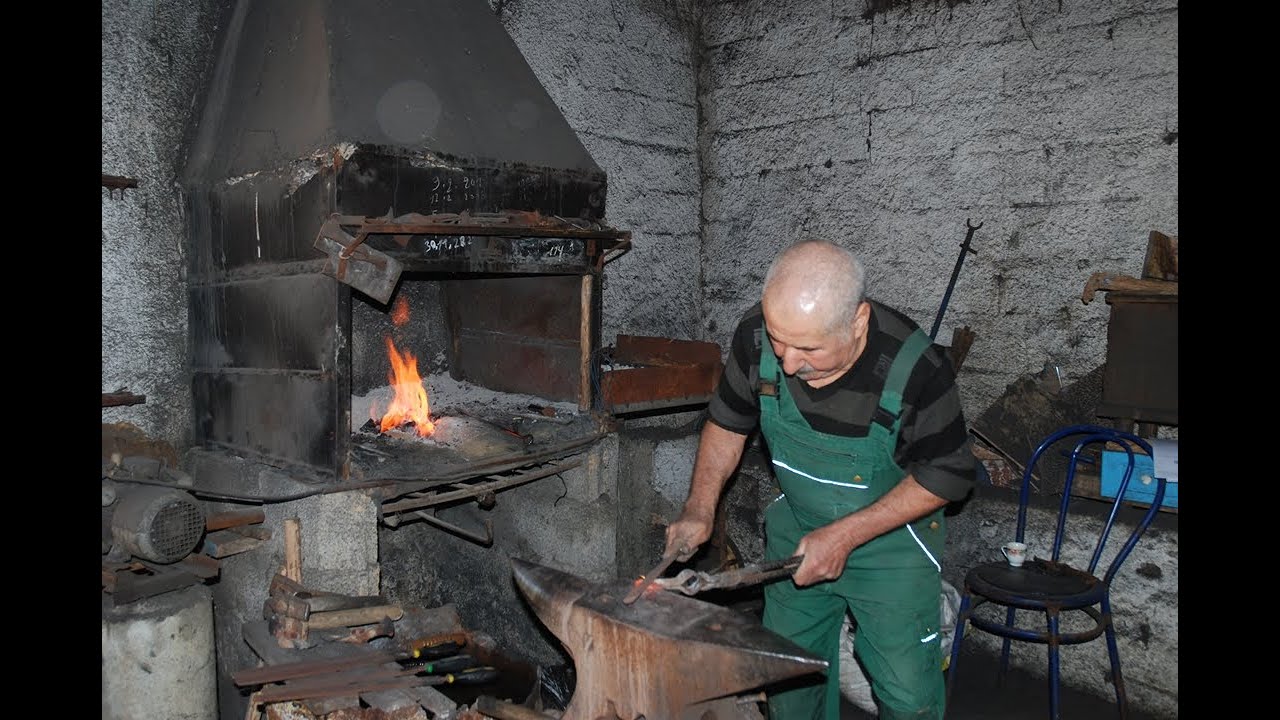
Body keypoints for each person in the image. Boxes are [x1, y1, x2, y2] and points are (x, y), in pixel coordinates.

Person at [664, 239, 975, 720]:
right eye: (779, 340)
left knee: (908, 694)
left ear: (857, 322)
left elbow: (949, 476)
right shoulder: (753, 338)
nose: (787, 363)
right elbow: (729, 423)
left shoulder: (916, 369)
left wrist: (844, 536)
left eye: (808, 347)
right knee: (787, 682)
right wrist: (699, 507)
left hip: (893, 543)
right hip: (798, 530)